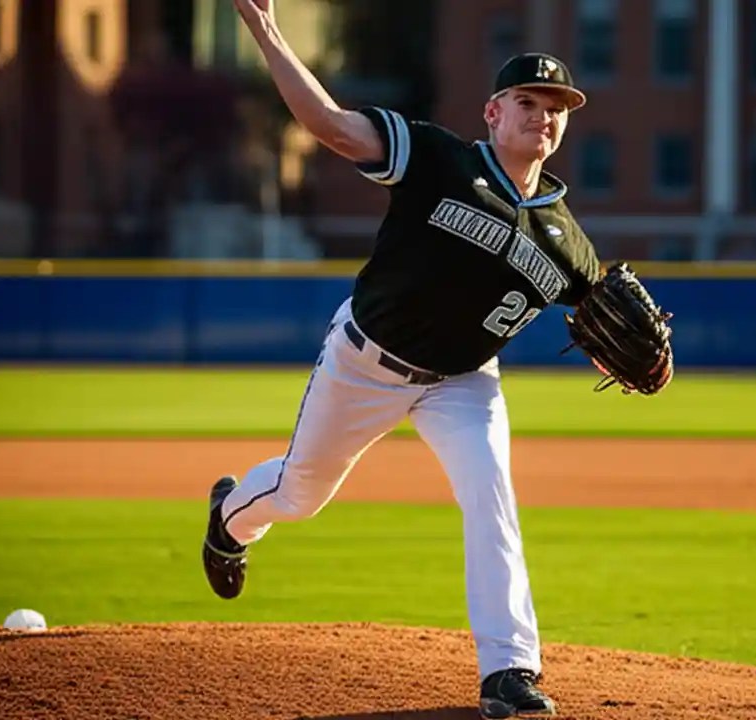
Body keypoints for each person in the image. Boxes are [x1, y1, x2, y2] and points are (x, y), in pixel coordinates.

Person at [203, 1, 603, 716]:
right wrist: (267, 32)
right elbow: (327, 125)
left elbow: (605, 329)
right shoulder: (436, 157)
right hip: (364, 363)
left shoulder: (569, 243)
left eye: (555, 107)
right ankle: (230, 517)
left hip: (464, 384)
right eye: (527, 101)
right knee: (300, 493)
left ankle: (509, 671)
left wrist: (643, 364)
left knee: (491, 496)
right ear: (492, 112)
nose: (542, 116)